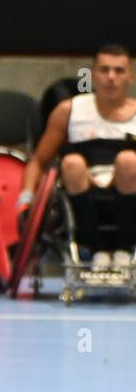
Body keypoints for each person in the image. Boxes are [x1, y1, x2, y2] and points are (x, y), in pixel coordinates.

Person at [22, 45, 136, 268]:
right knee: (71, 163)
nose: (111, 77)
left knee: (128, 161)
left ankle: (124, 248)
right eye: (104, 70)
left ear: (130, 76)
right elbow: (38, 161)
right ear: (92, 74)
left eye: (119, 71)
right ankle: (95, 249)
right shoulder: (69, 110)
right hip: (82, 186)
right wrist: (26, 196)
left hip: (128, 185)